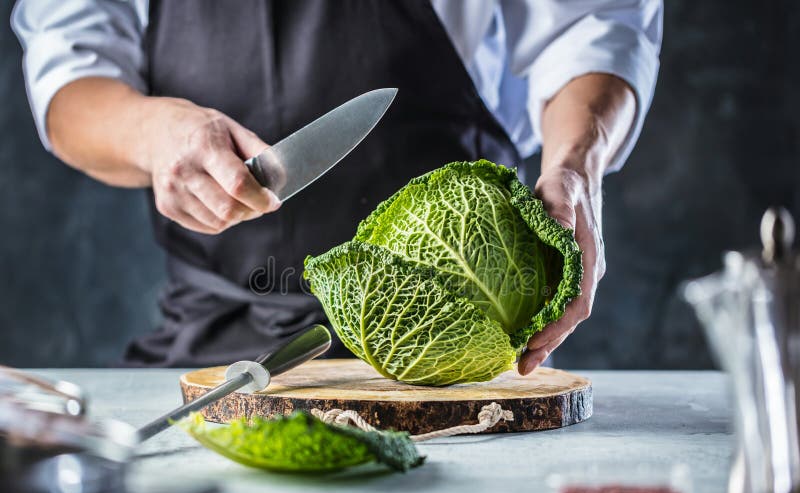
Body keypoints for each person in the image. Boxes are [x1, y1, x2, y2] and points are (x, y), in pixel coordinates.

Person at [12, 0, 661, 373]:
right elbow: (69, 68)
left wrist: (575, 163)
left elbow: (594, 23)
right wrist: (153, 133)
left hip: (455, 363)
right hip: (210, 347)